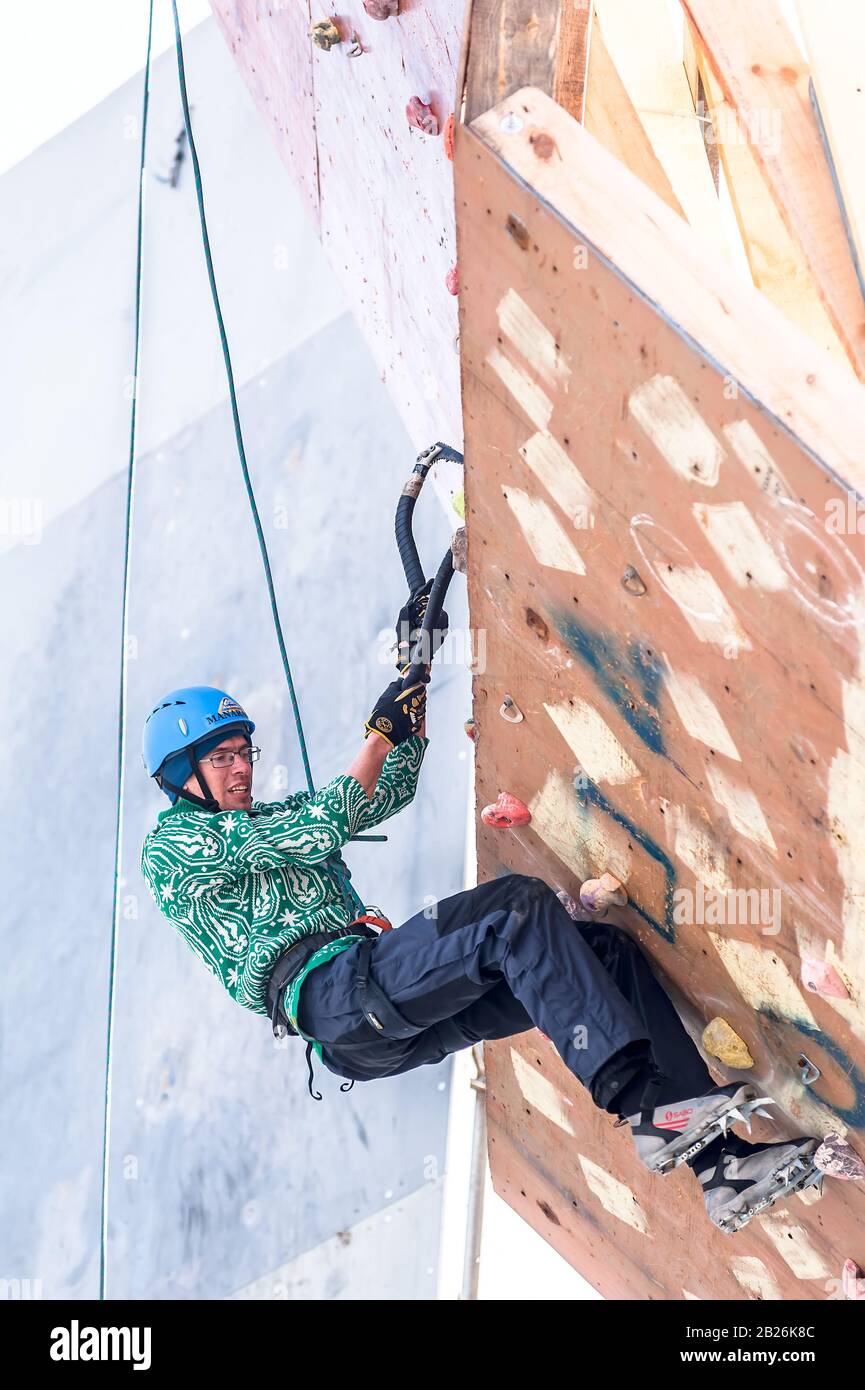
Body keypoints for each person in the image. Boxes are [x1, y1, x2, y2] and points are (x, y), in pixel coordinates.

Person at [140, 591, 820, 1234]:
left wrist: (412, 697)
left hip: (371, 1009)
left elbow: (384, 794)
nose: (241, 770)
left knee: (602, 954)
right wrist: (374, 735)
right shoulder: (173, 848)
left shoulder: (262, 819)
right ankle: (643, 1107)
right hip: (335, 995)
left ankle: (718, 1166)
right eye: (222, 758)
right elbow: (324, 826)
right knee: (517, 911)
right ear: (180, 775)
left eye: (243, 753)